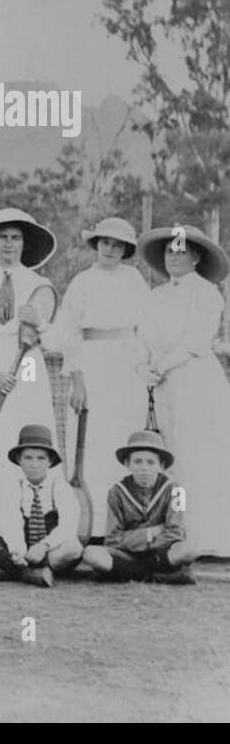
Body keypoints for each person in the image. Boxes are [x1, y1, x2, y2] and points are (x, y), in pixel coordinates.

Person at [0, 209, 60, 523]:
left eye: (15, 238)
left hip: (27, 366)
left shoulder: (39, 284)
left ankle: (32, 521)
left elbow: (57, 342)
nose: (8, 244)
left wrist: (39, 324)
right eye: (2, 237)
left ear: (24, 244)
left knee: (24, 432)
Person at [136, 224, 230, 556]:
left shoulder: (206, 293)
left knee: (198, 453)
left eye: (181, 251)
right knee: (171, 453)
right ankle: (175, 531)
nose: (174, 257)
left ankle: (208, 538)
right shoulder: (156, 295)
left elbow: (195, 341)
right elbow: (143, 338)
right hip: (163, 386)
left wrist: (160, 366)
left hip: (194, 380)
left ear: (196, 257)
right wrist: (144, 367)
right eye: (169, 251)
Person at [57, 217, 149, 538]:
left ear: (126, 249)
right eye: (105, 243)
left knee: (124, 440)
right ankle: (92, 526)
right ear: (96, 245)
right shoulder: (82, 281)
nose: (110, 249)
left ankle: (126, 527)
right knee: (92, 443)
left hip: (127, 366)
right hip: (92, 364)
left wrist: (143, 368)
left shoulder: (135, 279)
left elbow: (146, 327)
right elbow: (69, 334)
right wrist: (78, 380)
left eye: (117, 244)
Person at [82, 431, 198, 584]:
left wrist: (133, 538)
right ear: (127, 464)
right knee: (91, 553)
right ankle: (158, 575)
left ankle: (128, 574)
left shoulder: (177, 492)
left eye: (150, 462)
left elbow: (176, 533)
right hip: (127, 555)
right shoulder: (116, 492)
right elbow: (112, 539)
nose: (144, 468)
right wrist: (151, 533)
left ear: (161, 466)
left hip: (160, 553)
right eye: (137, 462)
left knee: (189, 549)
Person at [0, 424, 83, 587]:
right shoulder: (14, 486)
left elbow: (68, 525)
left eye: (41, 458)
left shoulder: (60, 487)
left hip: (49, 550)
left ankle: (18, 571)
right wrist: (18, 552)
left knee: (74, 548)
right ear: (19, 460)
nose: (34, 464)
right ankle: (25, 571)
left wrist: (44, 545)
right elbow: (11, 522)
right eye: (28, 458)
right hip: (23, 548)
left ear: (50, 461)